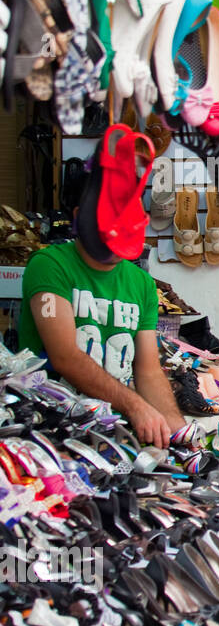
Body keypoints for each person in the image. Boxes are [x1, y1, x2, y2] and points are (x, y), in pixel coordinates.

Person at [18, 181, 184, 449]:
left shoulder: (141, 283)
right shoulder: (49, 265)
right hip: (49, 427)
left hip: (112, 431)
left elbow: (148, 371)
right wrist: (135, 405)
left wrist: (178, 432)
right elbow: (64, 356)